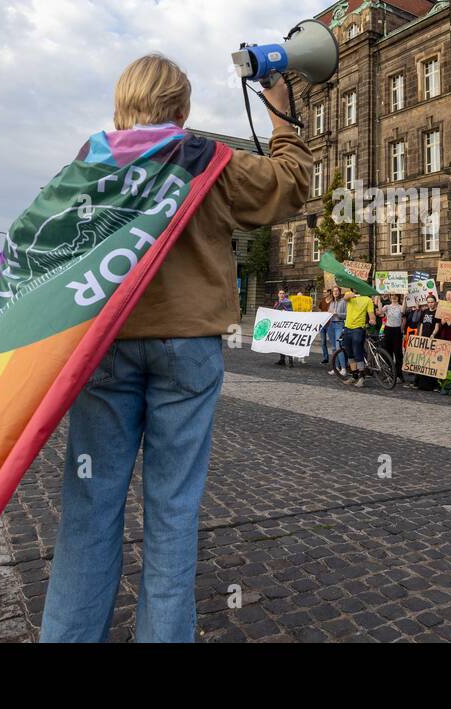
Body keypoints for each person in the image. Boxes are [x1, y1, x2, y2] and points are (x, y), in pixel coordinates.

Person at [42, 59, 309, 643]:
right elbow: (292, 184)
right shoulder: (210, 165)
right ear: (183, 112)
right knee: (172, 511)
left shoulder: (85, 169)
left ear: (119, 107)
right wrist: (281, 107)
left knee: (88, 510)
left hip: (103, 350)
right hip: (187, 351)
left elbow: (42, 258)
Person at [341, 287, 376, 387]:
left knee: (358, 353)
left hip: (358, 329)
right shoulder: (349, 295)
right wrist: (349, 295)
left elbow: (371, 314)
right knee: (349, 353)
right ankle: (354, 376)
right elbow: (345, 298)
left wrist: (372, 320)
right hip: (347, 328)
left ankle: (361, 377)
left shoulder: (368, 299)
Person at [408, 293, 441, 391]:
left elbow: (437, 326)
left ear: (435, 302)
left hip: (432, 339)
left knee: (432, 362)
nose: (430, 304)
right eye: (429, 302)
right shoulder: (425, 311)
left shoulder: (437, 313)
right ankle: (418, 382)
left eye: (432, 302)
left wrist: (433, 335)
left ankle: (434, 384)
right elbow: (421, 324)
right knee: (422, 361)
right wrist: (420, 335)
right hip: (424, 338)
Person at [378, 292, 406, 378]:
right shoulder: (387, 306)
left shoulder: (400, 307)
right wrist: (378, 299)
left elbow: (403, 311)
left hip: (397, 331)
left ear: (398, 297)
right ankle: (389, 374)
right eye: (392, 296)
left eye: (395, 296)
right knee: (387, 353)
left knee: (398, 353)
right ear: (390, 297)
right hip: (388, 330)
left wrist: (405, 298)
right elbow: (380, 312)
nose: (393, 297)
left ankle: (399, 375)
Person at [325, 286, 348, 376]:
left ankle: (343, 368)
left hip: (339, 324)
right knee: (334, 348)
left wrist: (337, 313)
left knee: (339, 347)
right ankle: (336, 368)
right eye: (334, 291)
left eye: (337, 291)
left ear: (339, 292)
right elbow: (329, 312)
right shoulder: (332, 302)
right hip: (331, 325)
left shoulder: (344, 301)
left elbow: (347, 314)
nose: (335, 292)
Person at [272, 288, 294, 367]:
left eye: (283, 293)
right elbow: (274, 311)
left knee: (287, 343)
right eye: (280, 293)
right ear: (278, 294)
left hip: (286, 325)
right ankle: (282, 360)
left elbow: (291, 311)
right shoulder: (277, 302)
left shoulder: (288, 302)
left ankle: (291, 361)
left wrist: (285, 312)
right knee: (281, 342)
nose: (281, 294)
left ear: (284, 295)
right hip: (279, 325)